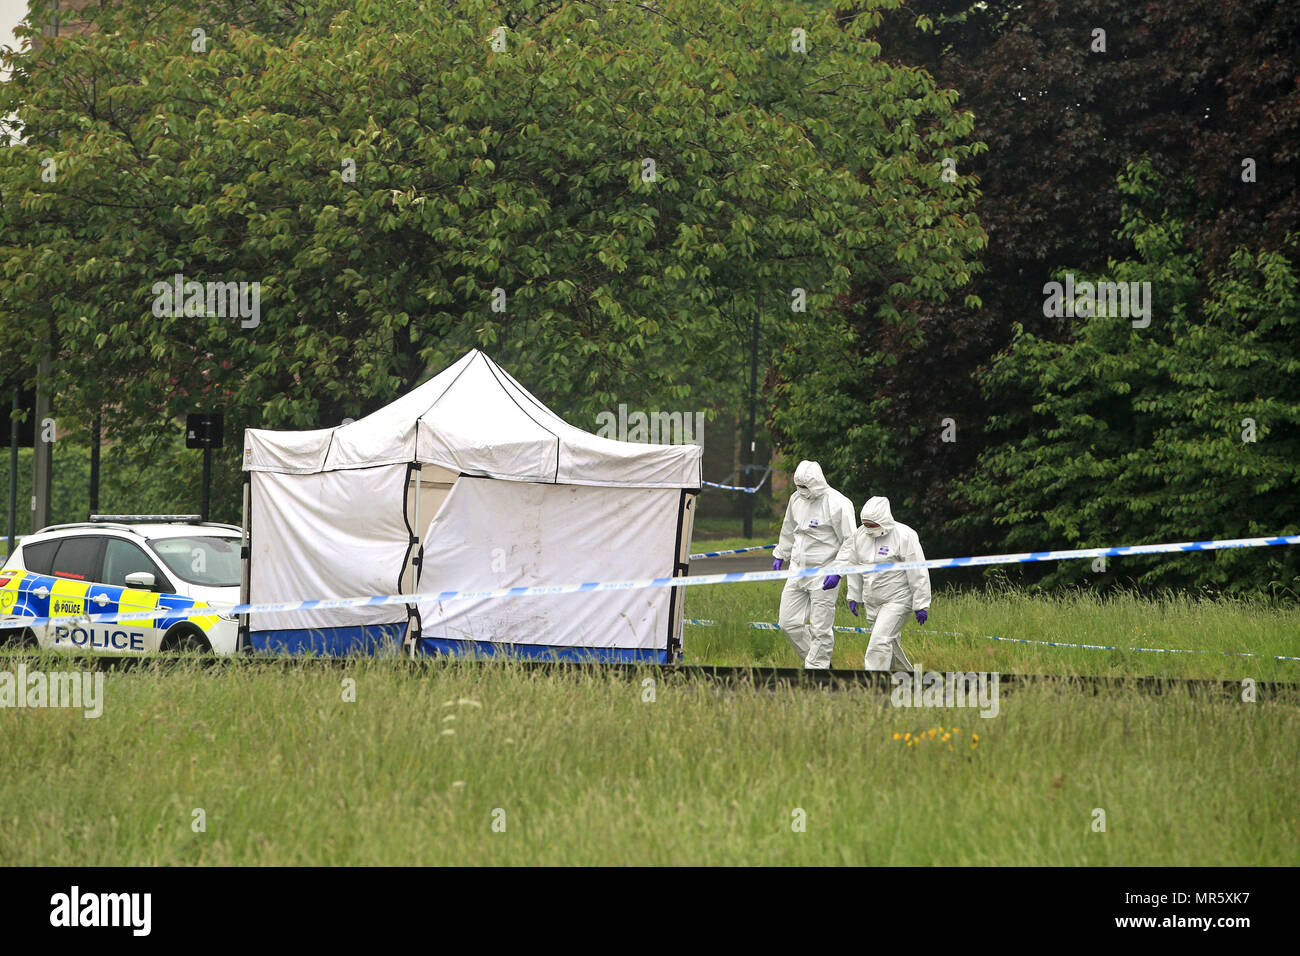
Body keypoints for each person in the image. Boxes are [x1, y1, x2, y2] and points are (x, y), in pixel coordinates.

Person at [828, 496, 930, 671]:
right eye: (866, 524)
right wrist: (853, 594)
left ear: (883, 520)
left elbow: (918, 571)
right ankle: (907, 679)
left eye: (872, 525)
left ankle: (873, 684)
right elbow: (852, 563)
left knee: (879, 642)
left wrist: (921, 604)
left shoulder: (904, 535)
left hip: (898, 600)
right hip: (872, 600)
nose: (869, 528)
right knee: (888, 643)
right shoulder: (860, 535)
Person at [772, 460, 856, 668]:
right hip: (797, 571)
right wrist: (781, 553)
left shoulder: (838, 503)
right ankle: (820, 664)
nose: (802, 490)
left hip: (824, 573)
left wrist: (838, 571)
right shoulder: (796, 499)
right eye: (798, 486)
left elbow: (851, 541)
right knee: (788, 623)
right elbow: (789, 527)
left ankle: (817, 670)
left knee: (820, 628)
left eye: (805, 486)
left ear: (817, 483)